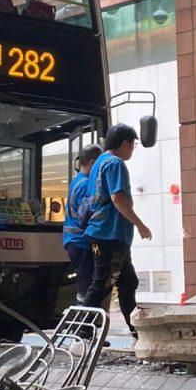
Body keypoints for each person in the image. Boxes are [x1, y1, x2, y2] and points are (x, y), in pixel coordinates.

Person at [81, 124, 152, 338]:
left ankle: (135, 330)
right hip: (109, 235)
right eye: (133, 145)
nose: (132, 150)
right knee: (103, 283)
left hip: (105, 235)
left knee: (128, 282)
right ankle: (82, 330)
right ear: (125, 143)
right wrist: (140, 224)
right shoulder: (115, 163)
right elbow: (117, 198)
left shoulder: (100, 162)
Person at [64, 144, 103, 303]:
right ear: (93, 163)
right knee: (88, 285)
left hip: (75, 242)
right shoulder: (86, 185)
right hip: (82, 243)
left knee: (86, 284)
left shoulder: (77, 181)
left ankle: (84, 321)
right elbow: (87, 215)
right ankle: (84, 322)